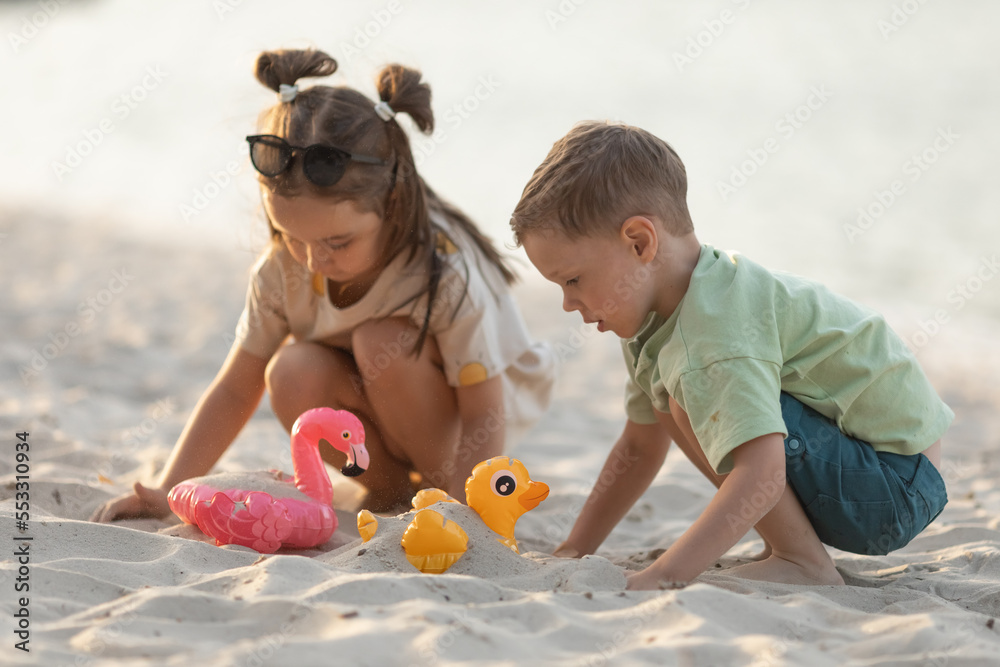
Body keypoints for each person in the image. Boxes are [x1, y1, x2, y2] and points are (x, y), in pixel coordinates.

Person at [92, 49, 554, 522]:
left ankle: (439, 487)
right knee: (289, 370)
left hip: (473, 409)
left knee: (381, 340)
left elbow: (484, 413)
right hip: (375, 394)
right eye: (293, 237)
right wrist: (169, 488)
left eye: (338, 241)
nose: (315, 259)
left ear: (391, 203)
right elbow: (235, 388)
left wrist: (464, 514)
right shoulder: (281, 270)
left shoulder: (441, 273)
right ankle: (390, 487)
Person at [510, 120, 952, 588]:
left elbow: (762, 472)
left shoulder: (714, 326)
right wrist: (575, 549)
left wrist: (664, 575)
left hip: (896, 483)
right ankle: (788, 545)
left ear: (639, 242)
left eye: (573, 280)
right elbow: (640, 449)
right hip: (863, 463)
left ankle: (801, 560)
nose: (567, 302)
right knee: (671, 397)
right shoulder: (654, 324)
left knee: (688, 393)